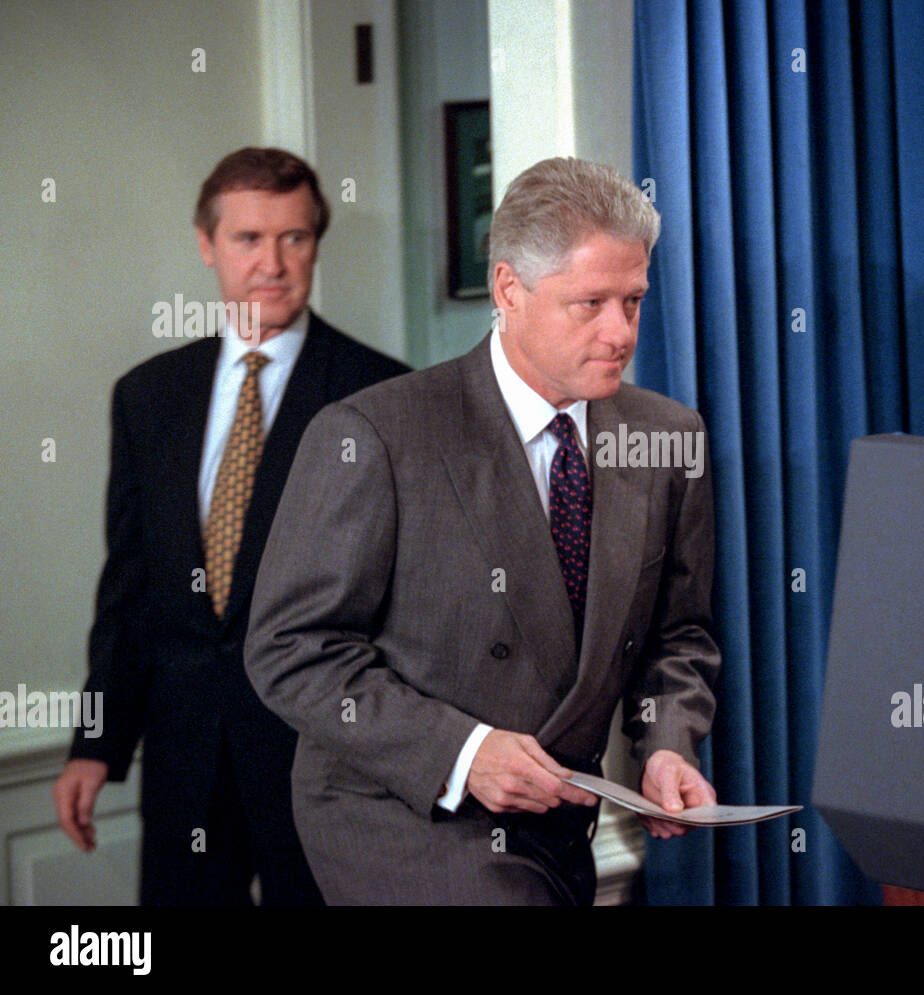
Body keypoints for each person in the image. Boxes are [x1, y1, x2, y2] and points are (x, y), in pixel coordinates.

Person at [244, 156, 721, 905]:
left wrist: (665, 743)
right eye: (589, 302)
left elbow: (678, 638)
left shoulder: (668, 436)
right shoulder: (374, 433)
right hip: (406, 814)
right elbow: (288, 648)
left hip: (559, 826)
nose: (619, 331)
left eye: (633, 301)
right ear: (508, 289)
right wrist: (463, 753)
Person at [52, 147, 410, 905]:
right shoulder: (149, 396)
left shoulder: (382, 395)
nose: (272, 263)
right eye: (249, 239)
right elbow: (129, 591)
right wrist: (96, 742)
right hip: (184, 762)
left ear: (316, 243)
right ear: (206, 244)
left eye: (295, 238)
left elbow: (404, 606)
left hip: (323, 764)